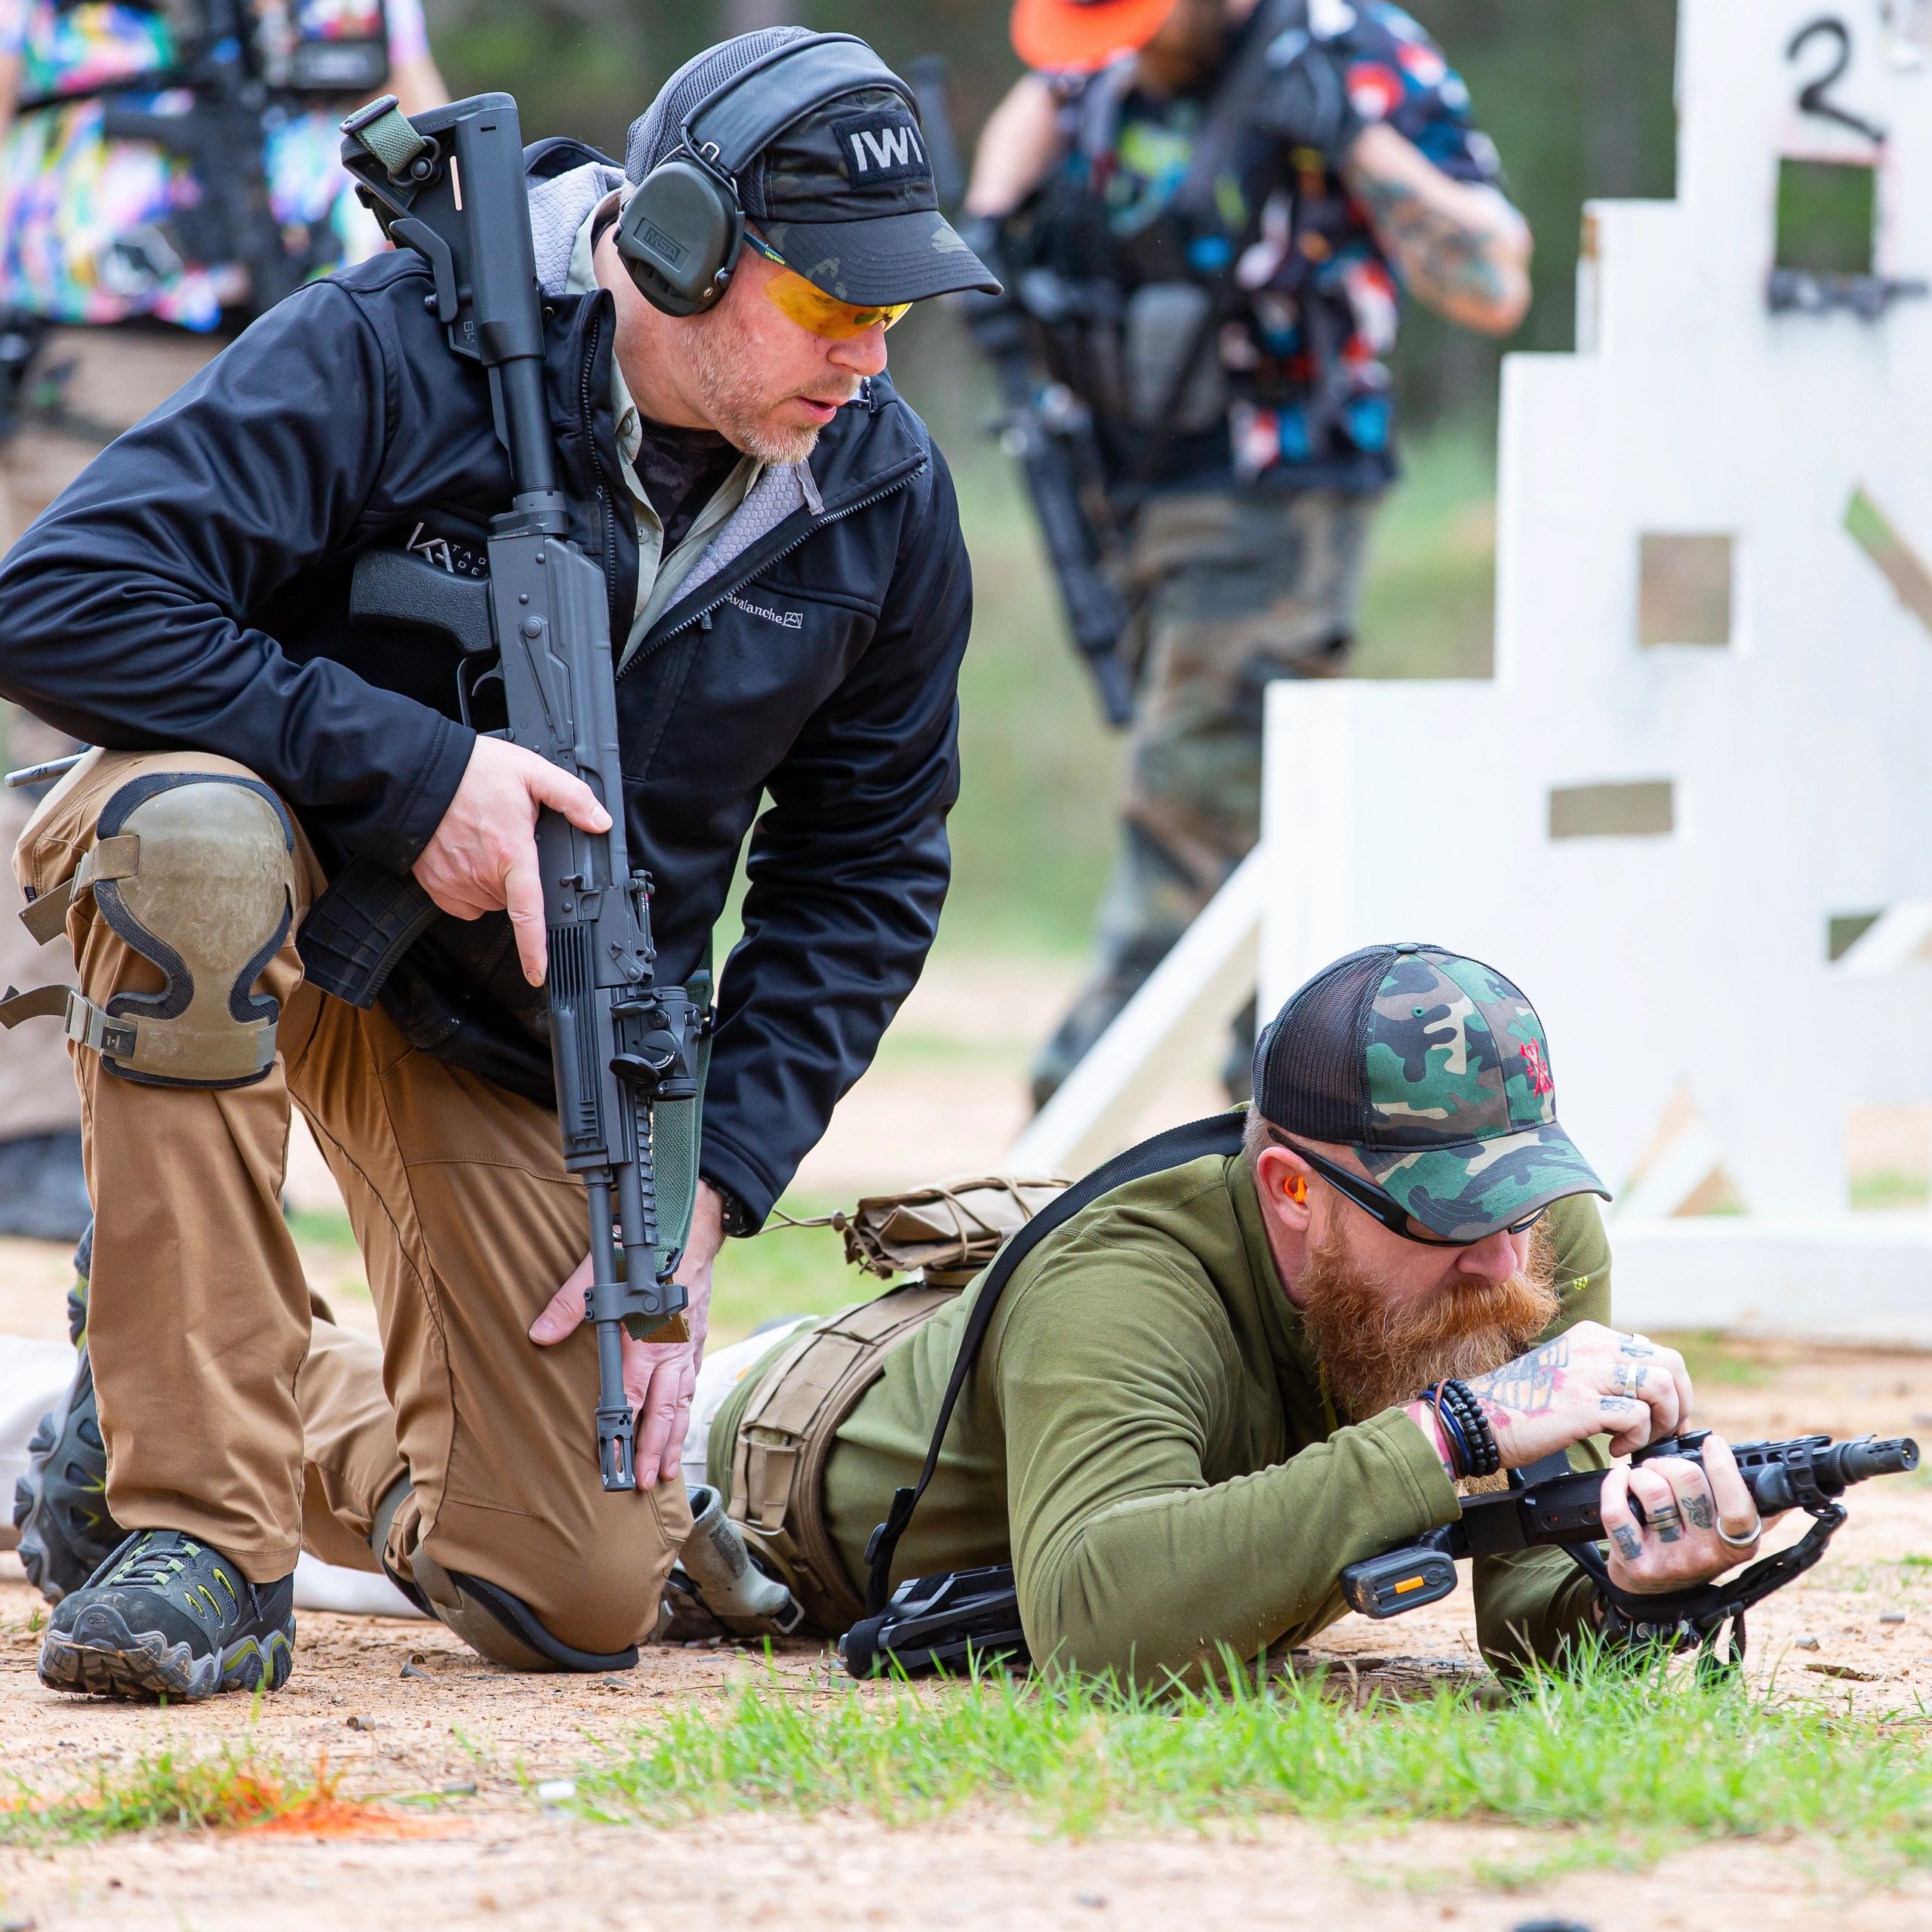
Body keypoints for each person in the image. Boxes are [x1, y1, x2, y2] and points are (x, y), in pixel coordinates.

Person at [0, 26, 998, 1700]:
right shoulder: (395, 341)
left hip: (505, 1011)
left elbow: (867, 864)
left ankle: (154, 1380)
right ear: (681, 249)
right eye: (833, 308)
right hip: (271, 894)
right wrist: (416, 775)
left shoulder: (880, 498)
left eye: (894, 315)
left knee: (573, 1590)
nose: (870, 362)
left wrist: (720, 1168)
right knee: (192, 834)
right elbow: (59, 598)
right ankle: (200, 1538)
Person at [697, 943, 1767, 1684]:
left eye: (1522, 1197)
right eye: (1447, 1216)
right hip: (747, 1455)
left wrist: (1632, 1586)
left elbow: (1535, 1598)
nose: (1502, 1258)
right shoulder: (1128, 1278)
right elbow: (1095, 1621)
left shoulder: (1531, 1244)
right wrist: (1456, 1432)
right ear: (1293, 1195)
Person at [963, 0, 1532, 1107]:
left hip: (1277, 497)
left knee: (1194, 798)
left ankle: (1073, 1120)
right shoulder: (1111, 64)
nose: (1115, 52)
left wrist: (1353, 141)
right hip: (1133, 487)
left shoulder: (1348, 49)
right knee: (1262, 824)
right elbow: (1045, 96)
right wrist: (989, 215)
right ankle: (1299, 1113)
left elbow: (1494, 280)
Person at [0, 0, 447, 1238]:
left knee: (258, 739)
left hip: (313, 375)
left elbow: (420, 122)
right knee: (65, 745)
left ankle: (237, 1102)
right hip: (96, 365)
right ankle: (38, 1119)